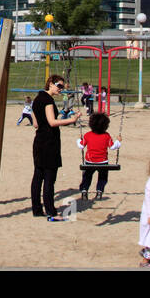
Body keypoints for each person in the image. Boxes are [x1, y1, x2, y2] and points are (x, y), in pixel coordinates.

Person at [30, 74, 81, 221]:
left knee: (38, 176)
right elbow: (52, 122)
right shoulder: (48, 100)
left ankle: (36, 209)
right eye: (59, 86)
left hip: (39, 141)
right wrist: (71, 120)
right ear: (51, 84)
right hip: (49, 143)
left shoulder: (37, 98)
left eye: (62, 87)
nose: (61, 89)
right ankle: (51, 211)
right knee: (49, 178)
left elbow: (35, 123)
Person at [78, 112, 121, 199]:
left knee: (87, 176)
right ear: (106, 125)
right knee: (102, 177)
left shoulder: (87, 135)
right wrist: (118, 141)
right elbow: (112, 147)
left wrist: (79, 139)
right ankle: (99, 191)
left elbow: (81, 146)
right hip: (103, 162)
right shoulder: (106, 136)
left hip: (89, 161)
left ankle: (84, 191)